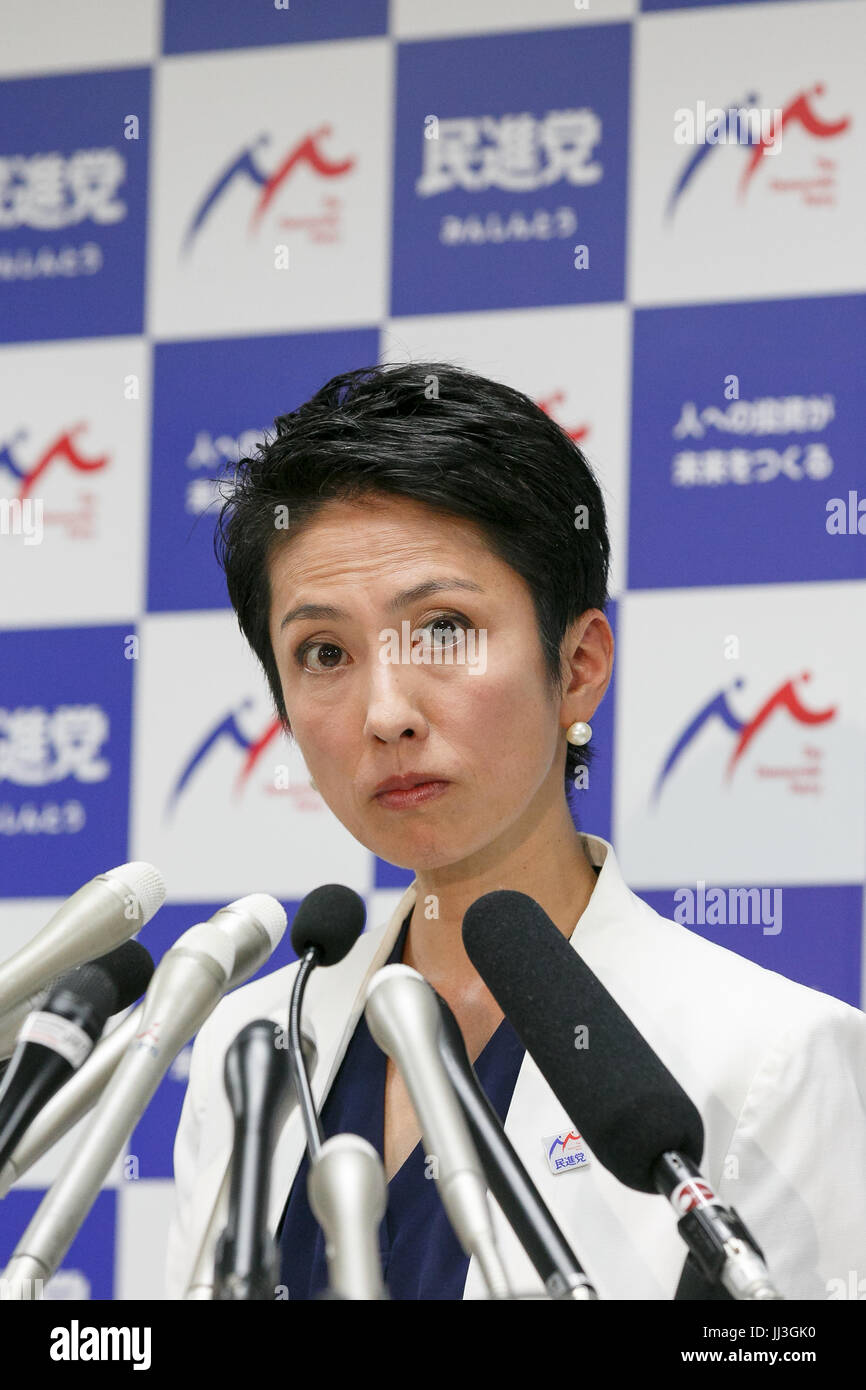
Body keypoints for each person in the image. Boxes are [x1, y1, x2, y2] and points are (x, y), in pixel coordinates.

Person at [165, 360, 866, 1301]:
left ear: (577, 665)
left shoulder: (772, 1056)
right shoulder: (250, 1047)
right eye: (324, 652)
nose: (385, 712)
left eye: (443, 629)